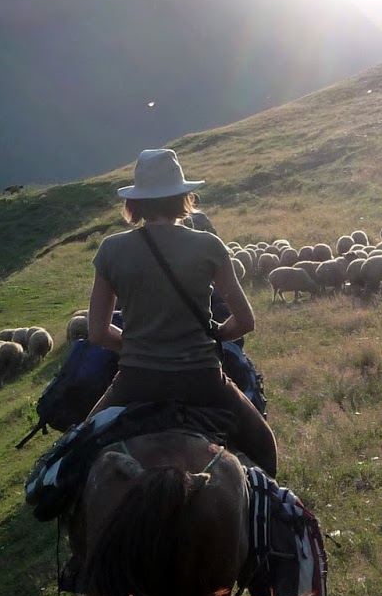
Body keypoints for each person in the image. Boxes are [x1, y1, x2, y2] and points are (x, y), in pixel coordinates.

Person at [86, 148, 278, 476]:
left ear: (135, 204)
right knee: (264, 446)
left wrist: (135, 345)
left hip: (136, 381)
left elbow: (98, 332)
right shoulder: (209, 246)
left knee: (78, 450)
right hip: (202, 380)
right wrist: (215, 335)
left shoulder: (112, 250)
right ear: (183, 199)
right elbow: (245, 321)